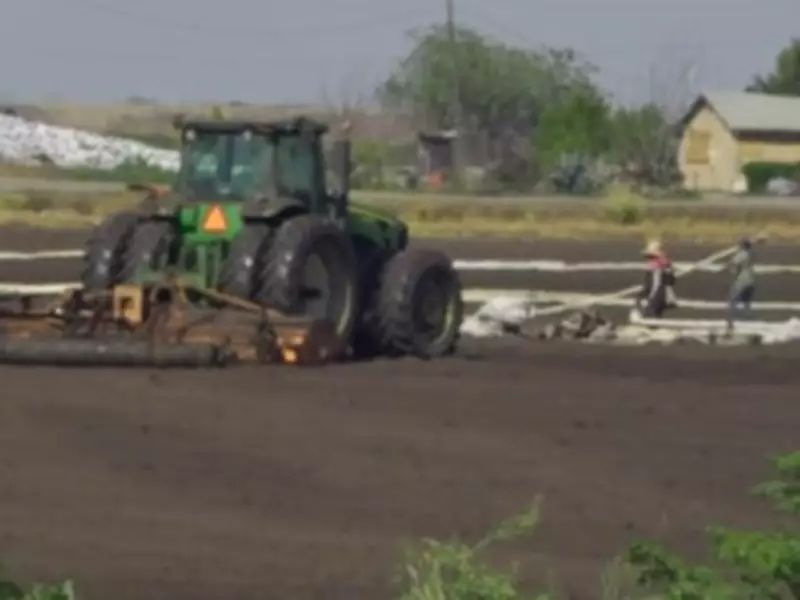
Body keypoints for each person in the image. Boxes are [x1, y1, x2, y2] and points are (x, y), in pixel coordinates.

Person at [635, 239, 677, 318]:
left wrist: (650, 298)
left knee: (650, 316)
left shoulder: (656, 271)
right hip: (659, 295)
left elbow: (656, 286)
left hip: (656, 296)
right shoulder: (664, 269)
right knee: (655, 316)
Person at [726, 237, 756, 331]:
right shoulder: (748, 253)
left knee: (732, 301)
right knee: (745, 302)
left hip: (742, 281)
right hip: (750, 281)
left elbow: (733, 264)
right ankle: (747, 314)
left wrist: (730, 262)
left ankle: (730, 323)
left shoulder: (742, 254)